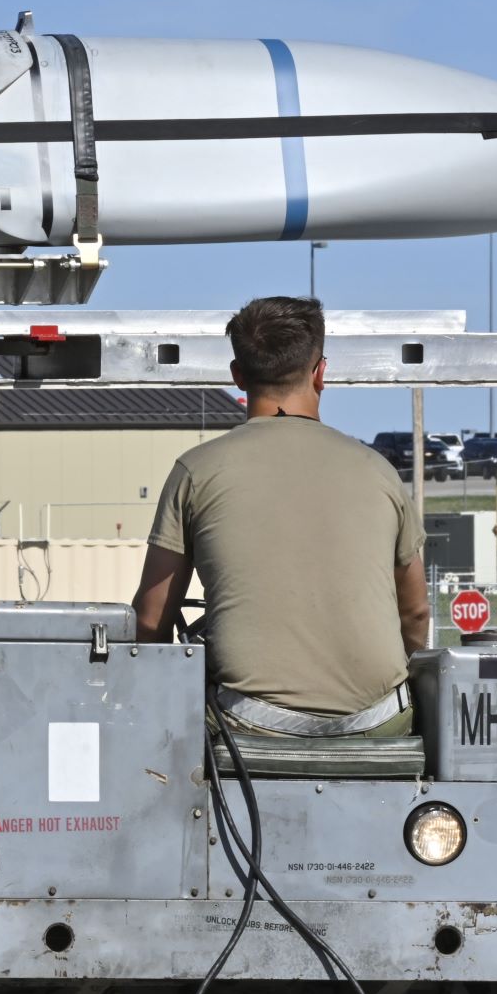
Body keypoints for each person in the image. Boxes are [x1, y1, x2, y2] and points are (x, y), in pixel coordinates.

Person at [130, 296, 429, 739]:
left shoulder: (196, 471)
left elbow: (152, 622)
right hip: (378, 721)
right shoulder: (379, 472)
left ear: (238, 376)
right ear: (321, 373)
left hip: (247, 724)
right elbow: (416, 613)